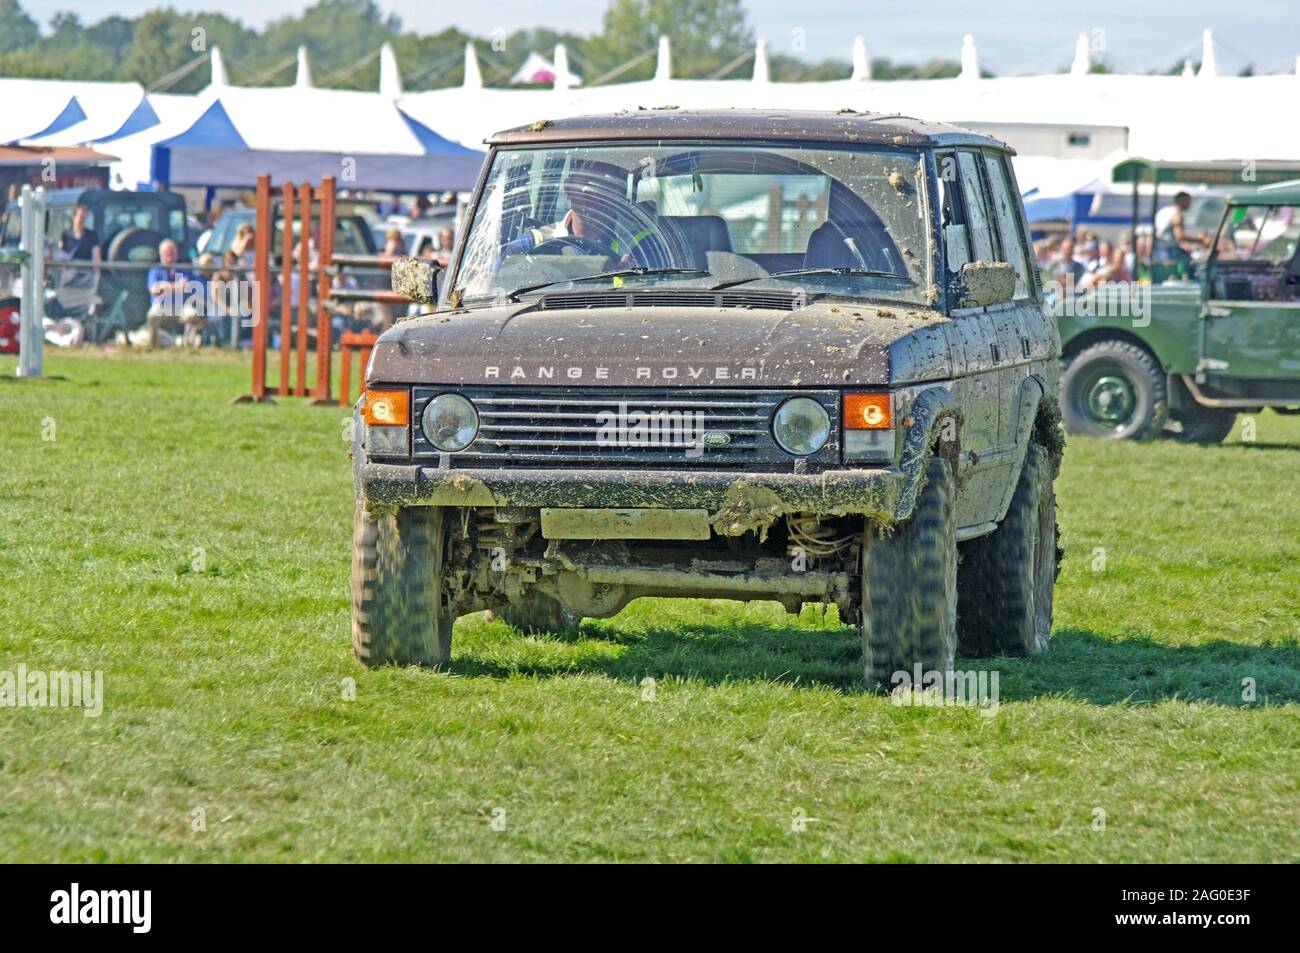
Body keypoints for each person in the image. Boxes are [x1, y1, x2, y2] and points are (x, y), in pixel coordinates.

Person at [500, 169, 668, 268]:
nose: (590, 191)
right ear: (568, 188)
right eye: (584, 182)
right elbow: (495, 282)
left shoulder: (642, 245)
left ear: (616, 193)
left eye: (601, 184)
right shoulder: (534, 241)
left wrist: (631, 278)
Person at [144, 239, 197, 347]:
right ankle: (153, 346)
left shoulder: (183, 269)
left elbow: (186, 287)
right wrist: (176, 286)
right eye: (167, 253)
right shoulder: (155, 270)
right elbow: (154, 290)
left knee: (193, 314)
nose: (170, 256)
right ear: (161, 254)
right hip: (161, 305)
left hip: (180, 305)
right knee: (153, 315)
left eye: (172, 253)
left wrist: (164, 287)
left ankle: (188, 346)